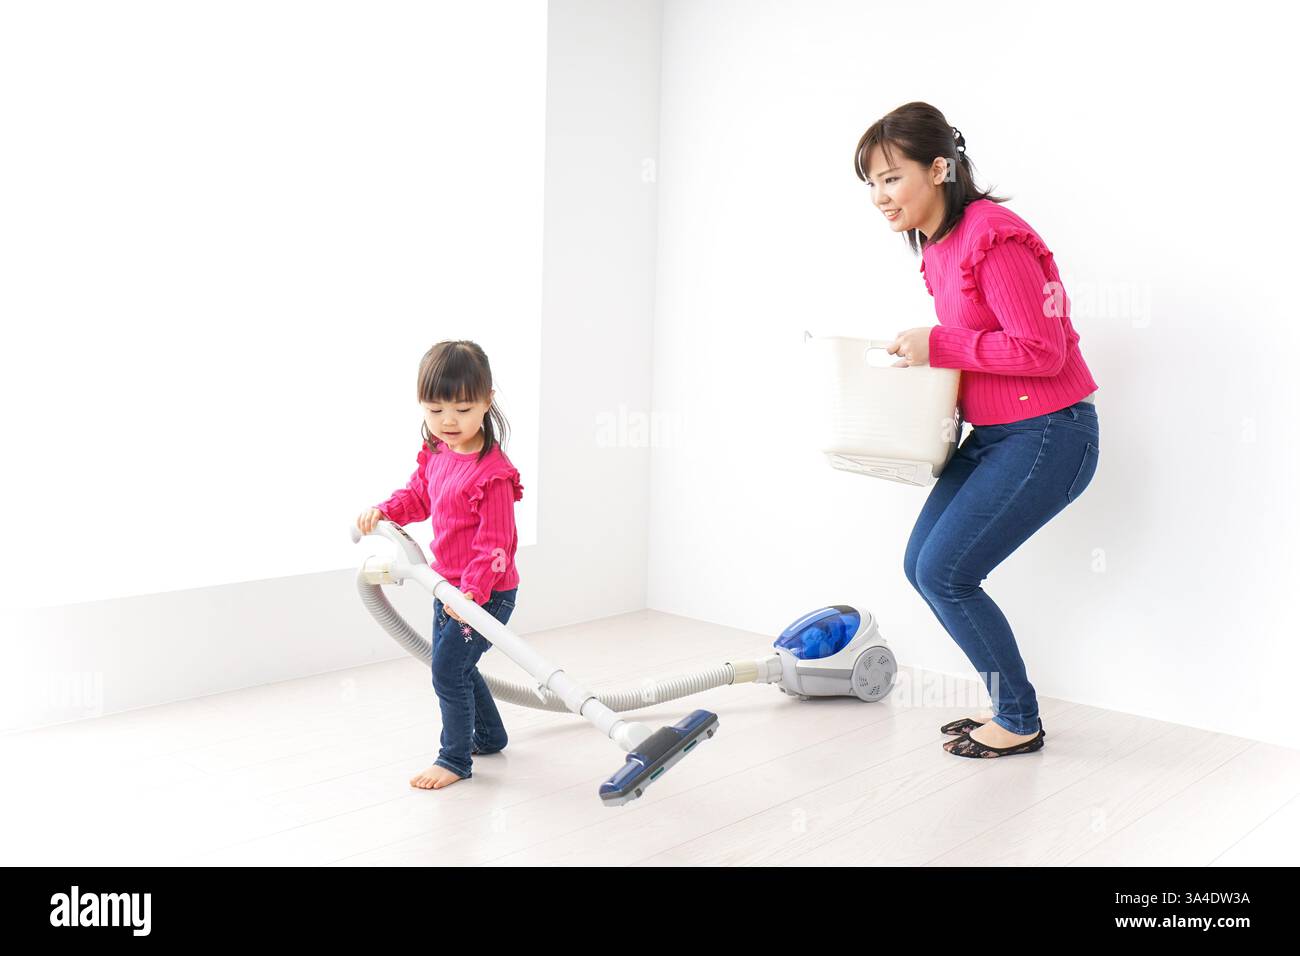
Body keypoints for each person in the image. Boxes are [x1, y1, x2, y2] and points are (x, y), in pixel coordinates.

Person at [854, 102, 1101, 758]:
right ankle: (1009, 709)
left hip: (1048, 432)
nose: (879, 197)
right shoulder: (936, 247)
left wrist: (938, 343)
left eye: (891, 178)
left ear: (939, 168)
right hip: (995, 436)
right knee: (924, 566)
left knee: (946, 572)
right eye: (870, 184)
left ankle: (1018, 719)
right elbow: (973, 346)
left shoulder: (994, 234)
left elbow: (1040, 352)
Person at [356, 340, 523, 788]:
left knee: (447, 671)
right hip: (444, 588)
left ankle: (454, 759)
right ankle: (488, 735)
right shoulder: (437, 452)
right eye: (435, 409)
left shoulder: (494, 475)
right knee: (456, 667)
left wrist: (471, 593)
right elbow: (419, 496)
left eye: (463, 409)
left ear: (488, 401)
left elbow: (497, 543)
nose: (448, 421)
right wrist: (385, 510)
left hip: (485, 594)